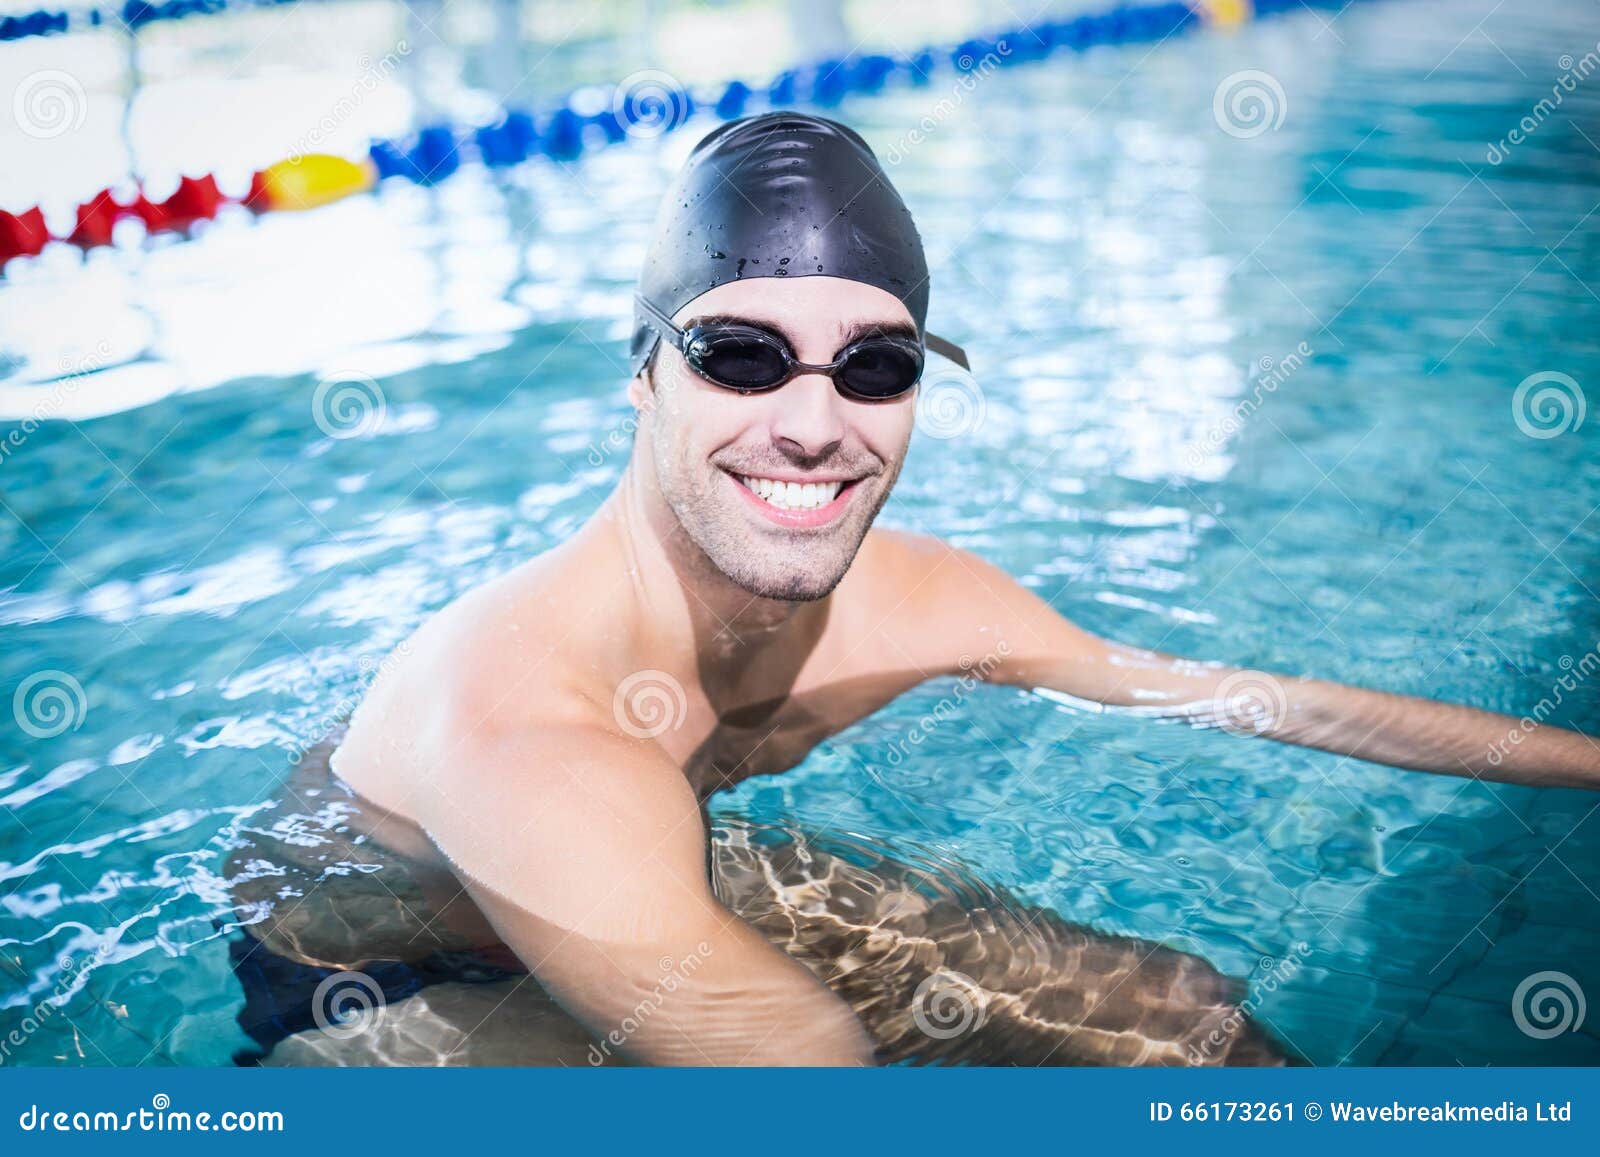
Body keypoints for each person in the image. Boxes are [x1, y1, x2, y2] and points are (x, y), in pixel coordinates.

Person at [228, 112, 1598, 1068]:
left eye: (874, 364)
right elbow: (798, 1064)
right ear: (643, 373)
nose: (815, 423)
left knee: (1175, 1019)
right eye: (742, 354)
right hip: (391, 992)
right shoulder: (530, 726)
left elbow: (1252, 702)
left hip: (645, 882)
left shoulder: (908, 598)